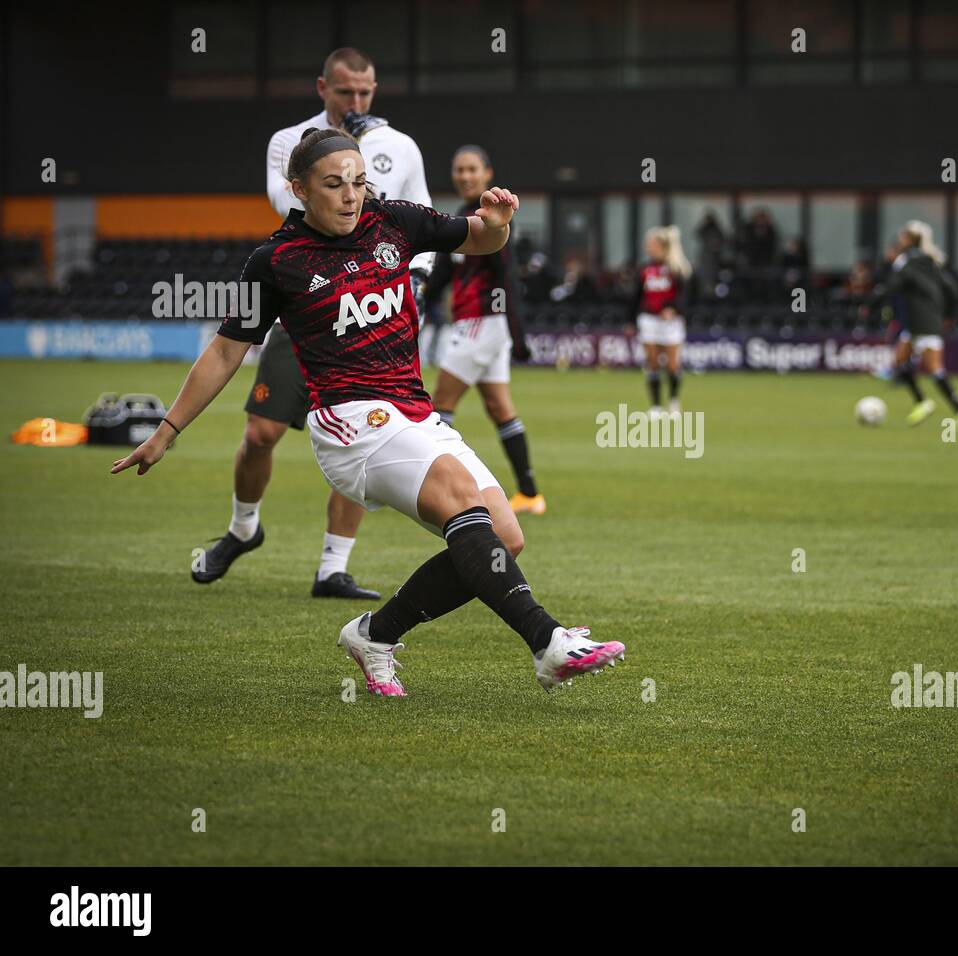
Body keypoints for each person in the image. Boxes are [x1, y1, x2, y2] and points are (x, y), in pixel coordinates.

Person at [112, 129, 623, 696]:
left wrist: (498, 221)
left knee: (503, 537)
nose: (351, 196)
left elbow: (479, 240)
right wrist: (167, 430)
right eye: (334, 185)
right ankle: (547, 642)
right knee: (458, 492)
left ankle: (375, 634)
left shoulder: (395, 222)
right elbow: (226, 350)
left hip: (414, 412)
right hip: (349, 422)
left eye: (358, 182)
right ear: (298, 189)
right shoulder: (275, 261)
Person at [192, 46, 436, 599]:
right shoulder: (289, 140)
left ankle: (333, 568)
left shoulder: (400, 147)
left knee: (371, 428)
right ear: (322, 87)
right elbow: (286, 200)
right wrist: (354, 153)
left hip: (378, 308)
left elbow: (423, 215)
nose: (356, 101)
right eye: (345, 91)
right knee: (262, 432)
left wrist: (418, 275)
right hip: (310, 305)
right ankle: (243, 529)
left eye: (366, 93)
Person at [425, 145, 544, 516]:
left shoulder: (493, 217)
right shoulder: (460, 217)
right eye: (459, 170)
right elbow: (444, 272)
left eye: (472, 169)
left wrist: (515, 331)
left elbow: (507, 278)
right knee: (499, 407)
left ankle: (435, 489)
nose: (464, 176)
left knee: (437, 406)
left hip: (482, 322)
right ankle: (529, 494)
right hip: (482, 326)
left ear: (487, 174)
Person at [865, 221, 958, 427]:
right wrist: (948, 312)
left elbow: (892, 286)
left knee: (934, 369)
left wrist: (872, 304)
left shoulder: (908, 262)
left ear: (908, 240)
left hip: (924, 322)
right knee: (899, 360)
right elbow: (951, 288)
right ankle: (922, 402)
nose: (900, 240)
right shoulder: (928, 261)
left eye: (903, 237)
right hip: (919, 321)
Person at [632, 226, 693, 417]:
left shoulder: (676, 269)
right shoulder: (644, 269)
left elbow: (685, 296)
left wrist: (673, 309)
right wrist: (631, 320)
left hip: (671, 322)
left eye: (652, 244)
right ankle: (656, 406)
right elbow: (636, 296)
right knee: (652, 362)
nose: (648, 247)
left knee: (673, 364)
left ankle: (673, 401)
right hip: (649, 319)